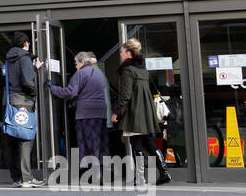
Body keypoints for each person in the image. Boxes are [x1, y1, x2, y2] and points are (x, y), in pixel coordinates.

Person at [112, 38, 171, 185]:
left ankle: (140, 178)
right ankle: (164, 172)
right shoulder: (142, 69)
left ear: (129, 53)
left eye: (121, 52)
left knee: (136, 143)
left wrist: (116, 112)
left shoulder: (127, 71)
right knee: (149, 143)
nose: (120, 54)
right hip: (145, 112)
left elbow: (125, 95)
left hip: (135, 113)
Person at [48, 51, 109, 177]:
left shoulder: (80, 73)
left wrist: (52, 88)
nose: (75, 66)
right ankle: (102, 172)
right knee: (100, 143)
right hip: (101, 113)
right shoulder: (99, 73)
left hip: (86, 114)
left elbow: (70, 93)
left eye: (76, 63)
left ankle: (95, 173)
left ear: (82, 62)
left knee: (89, 143)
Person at [2, 32, 44, 187]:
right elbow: (27, 81)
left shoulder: (9, 59)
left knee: (12, 138)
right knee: (26, 138)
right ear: (26, 43)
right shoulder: (24, 58)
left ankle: (17, 178)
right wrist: (34, 92)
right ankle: (27, 178)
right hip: (23, 101)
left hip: (11, 100)